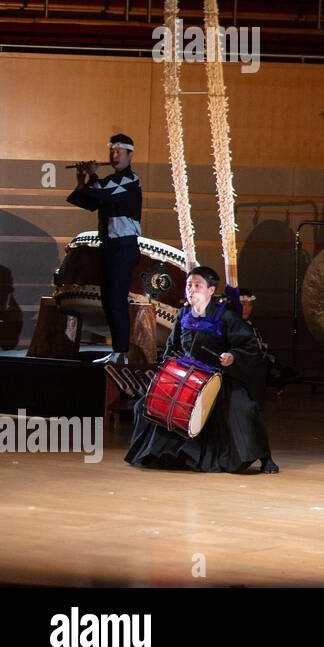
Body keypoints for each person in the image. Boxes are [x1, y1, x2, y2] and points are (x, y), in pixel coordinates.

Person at [125, 266, 278, 473]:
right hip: (188, 378)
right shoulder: (183, 314)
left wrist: (232, 356)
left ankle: (265, 457)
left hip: (219, 377)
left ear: (211, 290)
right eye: (189, 285)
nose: (192, 290)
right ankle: (168, 455)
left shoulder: (227, 317)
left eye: (198, 285)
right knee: (145, 404)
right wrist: (172, 371)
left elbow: (248, 347)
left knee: (243, 408)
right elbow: (172, 348)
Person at [66, 133, 142, 364]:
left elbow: (100, 193)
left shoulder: (129, 180)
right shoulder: (111, 181)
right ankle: (117, 351)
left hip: (124, 247)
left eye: (119, 151)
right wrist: (82, 179)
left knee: (116, 299)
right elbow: (88, 200)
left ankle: (122, 352)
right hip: (110, 247)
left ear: (130, 155)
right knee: (109, 300)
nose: (114, 155)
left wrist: (92, 176)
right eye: (112, 151)